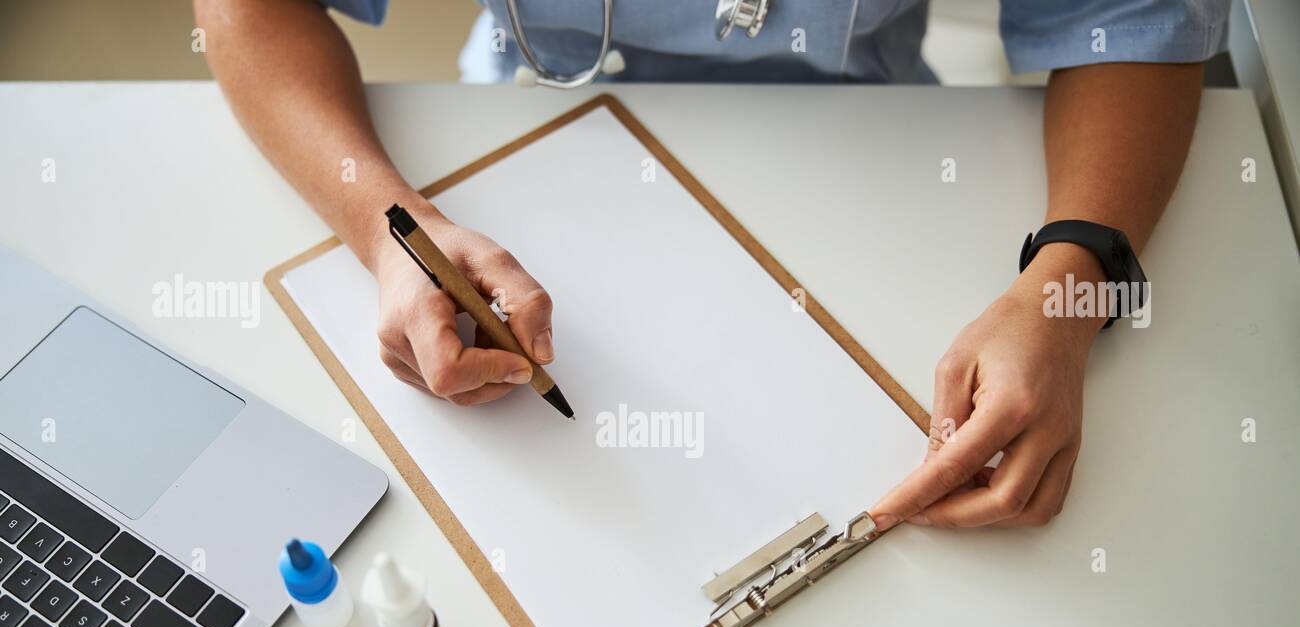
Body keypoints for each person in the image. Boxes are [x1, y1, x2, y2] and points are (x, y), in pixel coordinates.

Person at [196, 0, 1229, 529]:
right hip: (516, 141)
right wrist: (391, 230)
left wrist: (1065, 287)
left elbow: (1133, 19)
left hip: (875, 171)